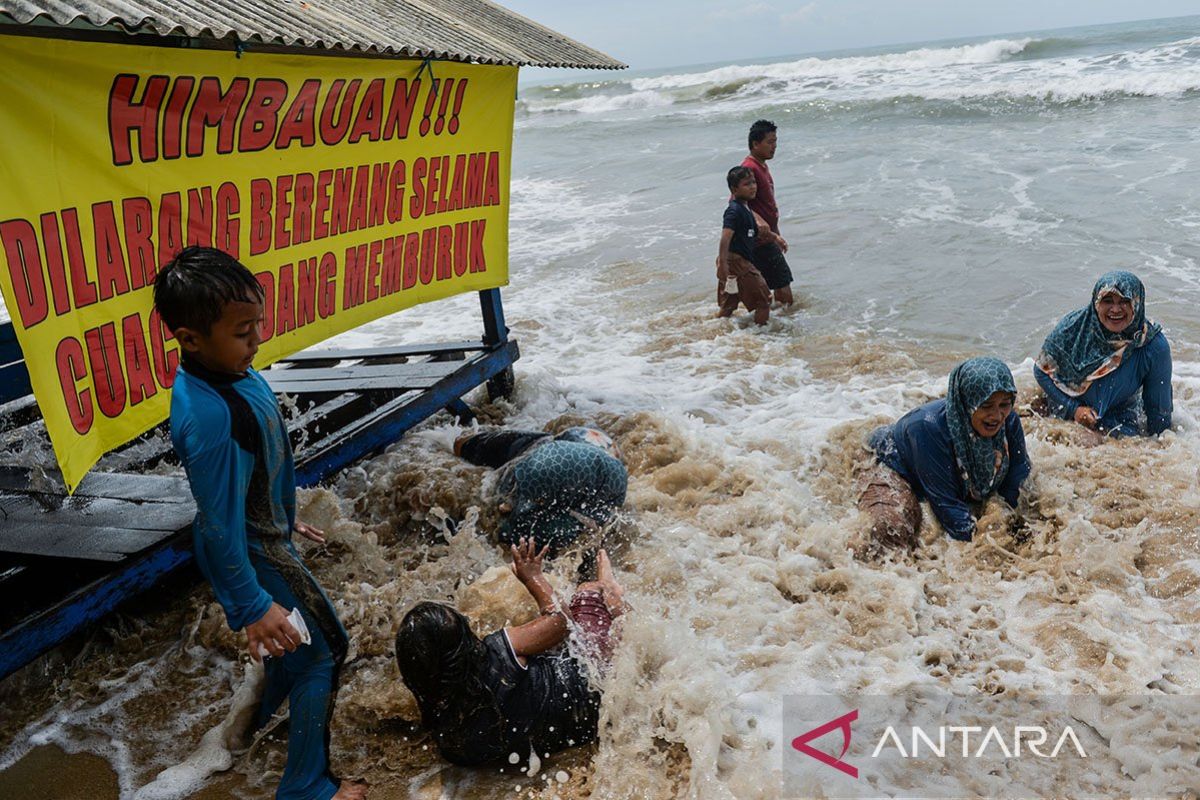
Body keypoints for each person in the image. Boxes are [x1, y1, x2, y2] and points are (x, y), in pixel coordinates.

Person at [155, 246, 366, 800]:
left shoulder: (233, 375)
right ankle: (307, 789)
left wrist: (284, 513)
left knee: (296, 652)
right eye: (243, 332)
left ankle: (241, 731)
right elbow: (218, 525)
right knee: (325, 652)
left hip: (269, 537)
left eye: (258, 327)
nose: (256, 342)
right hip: (254, 554)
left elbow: (256, 466)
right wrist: (251, 606)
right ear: (190, 338)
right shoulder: (207, 414)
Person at [395, 538, 625, 767]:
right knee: (586, 592)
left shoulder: (439, 712)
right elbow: (561, 622)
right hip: (594, 694)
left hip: (565, 735)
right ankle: (611, 592)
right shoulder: (497, 653)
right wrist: (532, 577)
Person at [859, 357, 1031, 546]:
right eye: (986, 405)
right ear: (967, 402)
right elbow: (945, 502)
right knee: (890, 530)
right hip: (889, 462)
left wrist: (1008, 517)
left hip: (930, 464)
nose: (997, 415)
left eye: (1004, 404)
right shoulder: (927, 428)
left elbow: (1018, 472)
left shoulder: (1009, 421)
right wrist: (986, 544)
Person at [1033, 270, 1172, 437]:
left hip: (1119, 417)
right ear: (1096, 302)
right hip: (1067, 410)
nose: (1115, 309)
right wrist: (1073, 409)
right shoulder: (1074, 328)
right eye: (1107, 301)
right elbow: (1041, 371)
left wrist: (1160, 446)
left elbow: (1158, 409)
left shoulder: (1152, 345)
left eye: (1124, 301)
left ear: (1137, 302)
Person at [454, 426, 628, 551]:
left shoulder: (536, 443)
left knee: (507, 520)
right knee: (593, 532)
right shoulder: (601, 447)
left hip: (547, 463)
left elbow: (464, 444)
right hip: (615, 474)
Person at [742, 119, 794, 306]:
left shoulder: (761, 166)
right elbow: (737, 202)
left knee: (766, 291)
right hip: (760, 239)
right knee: (783, 289)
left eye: (776, 141)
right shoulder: (749, 168)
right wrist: (760, 222)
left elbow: (767, 206)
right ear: (755, 144)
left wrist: (776, 234)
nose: (774, 146)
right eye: (770, 142)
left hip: (766, 238)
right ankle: (784, 329)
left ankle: (768, 328)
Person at [717, 166, 772, 326]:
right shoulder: (734, 211)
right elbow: (725, 238)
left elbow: (756, 233)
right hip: (737, 264)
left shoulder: (745, 209)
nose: (753, 186)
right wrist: (722, 264)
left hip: (733, 264)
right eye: (747, 184)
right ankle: (762, 336)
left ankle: (717, 330)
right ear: (734, 189)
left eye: (754, 182)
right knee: (764, 300)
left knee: (729, 304)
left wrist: (776, 239)